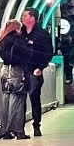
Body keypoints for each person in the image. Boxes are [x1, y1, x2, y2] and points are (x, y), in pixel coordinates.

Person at [10, 8, 53, 137]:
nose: (22, 18)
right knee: (20, 100)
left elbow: (48, 52)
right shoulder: (19, 32)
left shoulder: (42, 34)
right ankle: (19, 128)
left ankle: (36, 125)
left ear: (32, 18)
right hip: (20, 70)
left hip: (35, 71)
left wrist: (41, 67)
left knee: (35, 99)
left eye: (25, 15)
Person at [0, 19, 31, 141]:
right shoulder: (18, 40)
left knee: (6, 100)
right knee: (18, 100)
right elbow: (21, 57)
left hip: (4, 70)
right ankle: (18, 131)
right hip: (16, 70)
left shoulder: (0, 40)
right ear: (16, 28)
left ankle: (5, 131)